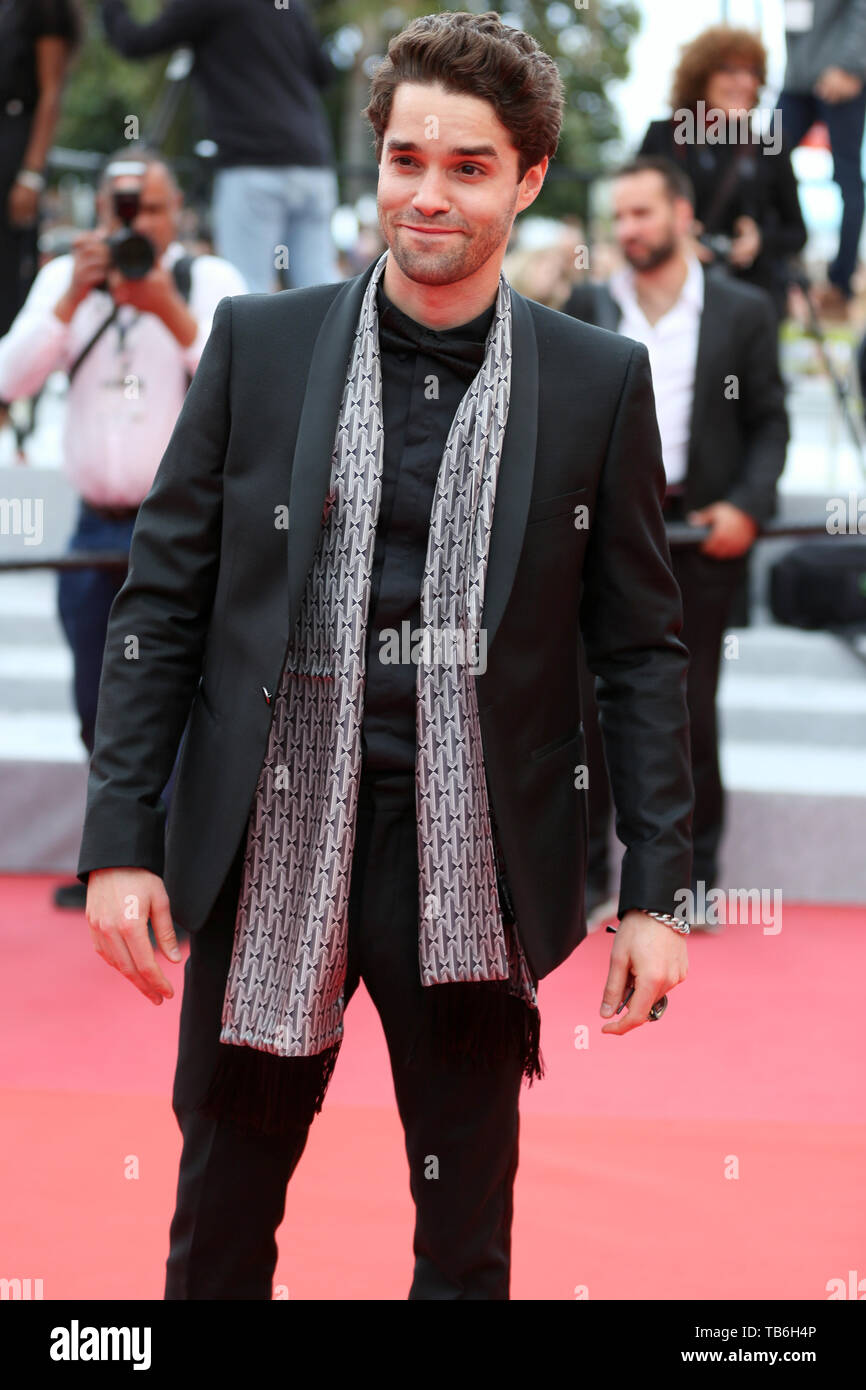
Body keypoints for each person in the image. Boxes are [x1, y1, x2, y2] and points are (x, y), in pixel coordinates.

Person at [76, 13, 694, 1301]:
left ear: (526, 181)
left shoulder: (593, 381)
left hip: (469, 869)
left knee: (462, 1246)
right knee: (219, 1228)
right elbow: (161, 604)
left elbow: (638, 648)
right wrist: (121, 836)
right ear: (374, 166)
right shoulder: (261, 342)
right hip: (268, 844)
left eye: (468, 167)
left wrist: (655, 889)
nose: (428, 192)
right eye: (406, 159)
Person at [0, 145, 247, 908]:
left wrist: (165, 310)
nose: (136, 222)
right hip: (92, 527)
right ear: (101, 213)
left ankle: (173, 860)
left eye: (151, 208)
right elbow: (8, 380)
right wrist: (73, 301)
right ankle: (119, 850)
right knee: (93, 694)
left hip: (184, 528)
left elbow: (247, 391)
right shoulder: (64, 279)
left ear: (179, 215)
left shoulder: (211, 283)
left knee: (176, 692)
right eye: (122, 208)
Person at [564, 156, 788, 918]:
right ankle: (588, 878)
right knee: (586, 709)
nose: (627, 230)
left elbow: (769, 422)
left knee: (689, 708)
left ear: (684, 216)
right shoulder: (590, 304)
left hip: (699, 533)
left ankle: (690, 886)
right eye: (618, 217)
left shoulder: (742, 311)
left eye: (642, 213)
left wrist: (749, 509)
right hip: (599, 537)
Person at [99, 0, 340, 292]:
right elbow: (324, 71)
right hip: (312, 162)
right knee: (323, 292)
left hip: (252, 163)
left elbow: (134, 42)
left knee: (246, 292)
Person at [640, 24, 807, 322]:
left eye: (752, 72)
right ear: (700, 75)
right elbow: (633, 211)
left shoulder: (769, 145)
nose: (744, 81)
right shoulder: (663, 137)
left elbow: (797, 232)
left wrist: (760, 240)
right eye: (729, 70)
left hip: (751, 301)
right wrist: (677, 236)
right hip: (673, 298)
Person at [0, 0, 82, 429]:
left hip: (14, 151)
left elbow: (52, 89)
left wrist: (31, 173)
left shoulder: (42, 8)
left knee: (9, 276)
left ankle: (9, 403)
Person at [778, 0, 866, 318]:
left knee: (847, 178)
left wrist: (851, 66)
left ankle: (841, 283)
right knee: (766, 155)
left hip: (842, 75)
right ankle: (777, 257)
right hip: (797, 79)